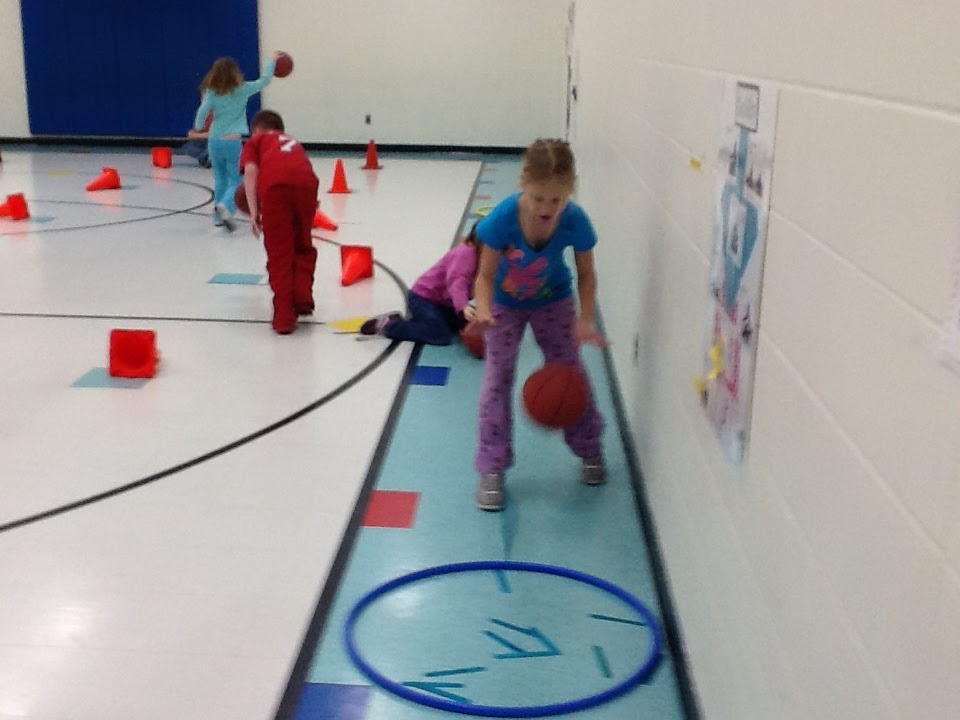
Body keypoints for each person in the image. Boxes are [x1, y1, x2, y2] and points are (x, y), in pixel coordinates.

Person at [471, 138, 606, 511]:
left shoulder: (575, 220)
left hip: (553, 300)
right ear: (523, 186)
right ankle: (492, 468)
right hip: (504, 305)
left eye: (556, 200)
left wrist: (585, 318)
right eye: (537, 198)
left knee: (570, 372)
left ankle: (590, 449)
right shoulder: (501, 219)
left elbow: (587, 275)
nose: (547, 208)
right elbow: (483, 276)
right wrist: (482, 309)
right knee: (497, 378)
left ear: (569, 192)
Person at [239, 109, 320, 335]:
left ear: (256, 129)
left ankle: (284, 316)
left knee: (280, 253)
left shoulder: (256, 141)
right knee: (303, 244)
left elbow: (251, 171)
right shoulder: (292, 141)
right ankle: (303, 297)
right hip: (307, 186)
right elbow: (304, 172)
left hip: (275, 189)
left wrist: (254, 212)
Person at [194, 53, 278, 231]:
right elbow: (264, 81)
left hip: (214, 140)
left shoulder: (211, 92)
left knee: (220, 177)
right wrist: (271, 61)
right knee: (237, 178)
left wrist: (199, 126)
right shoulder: (242, 89)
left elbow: (203, 110)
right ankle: (226, 205)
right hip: (232, 140)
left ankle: (217, 217)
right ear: (235, 73)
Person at [359, 224, 481, 344]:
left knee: (469, 323)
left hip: (445, 303)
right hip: (424, 298)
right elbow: (457, 282)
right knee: (439, 335)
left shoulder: (488, 259)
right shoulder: (465, 254)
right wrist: (463, 306)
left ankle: (421, 321)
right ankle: (389, 325)